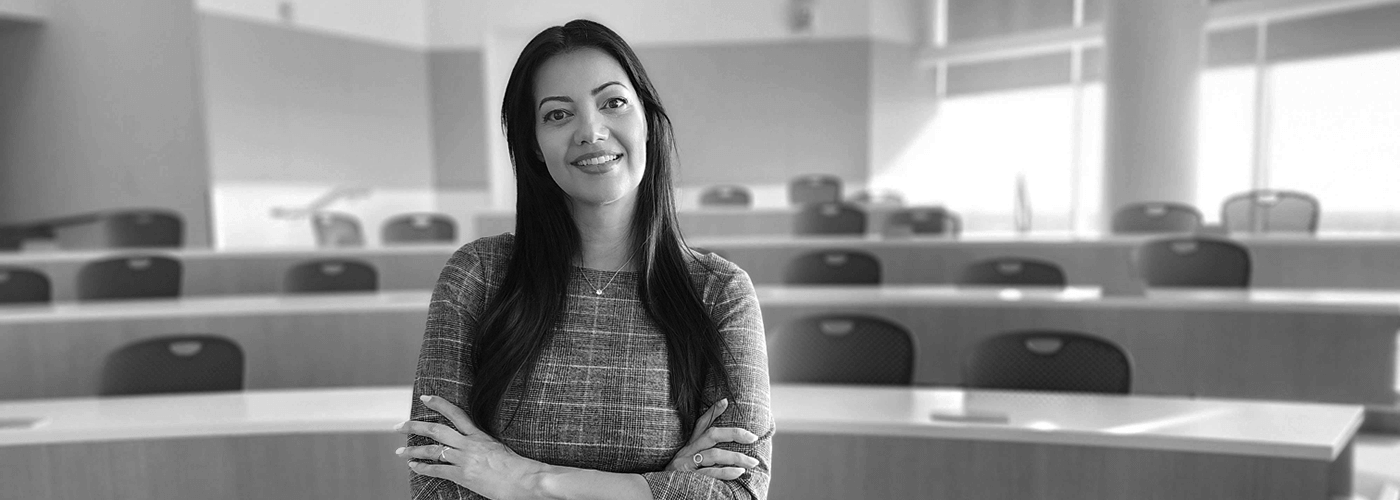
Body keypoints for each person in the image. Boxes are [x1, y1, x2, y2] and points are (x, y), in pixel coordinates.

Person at [393, 19, 773, 500]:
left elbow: (739, 493)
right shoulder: (478, 275)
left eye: (613, 102)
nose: (591, 132)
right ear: (533, 143)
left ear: (647, 120)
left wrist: (528, 481)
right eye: (557, 115)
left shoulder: (719, 292)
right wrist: (661, 488)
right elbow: (435, 487)